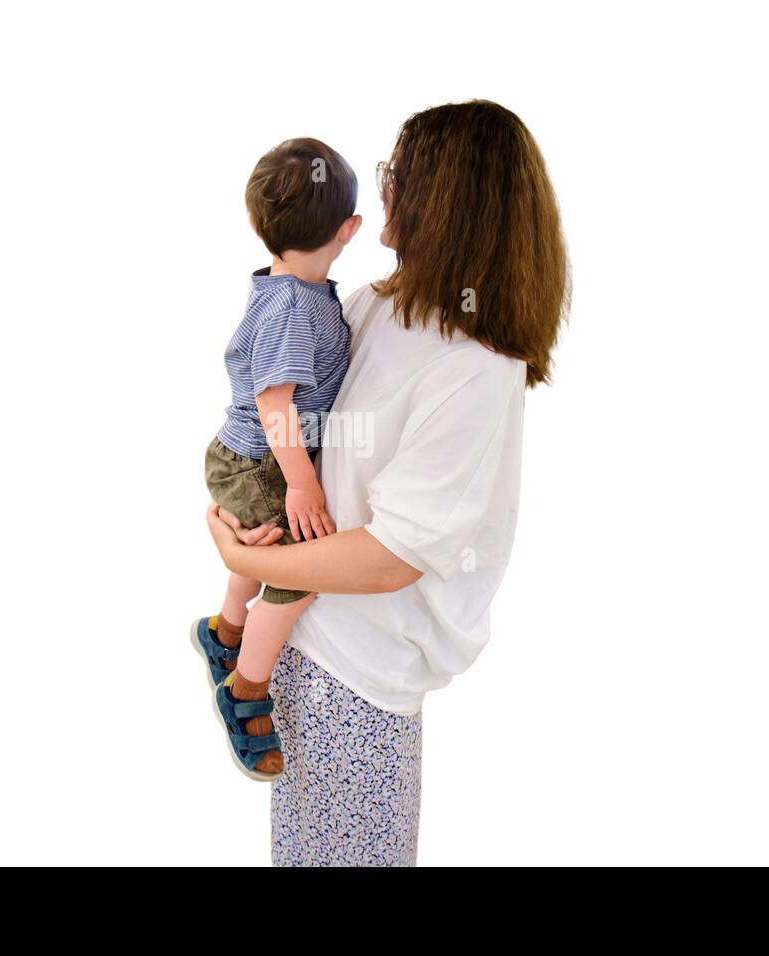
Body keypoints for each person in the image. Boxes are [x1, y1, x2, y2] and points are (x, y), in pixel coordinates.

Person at [204, 100, 570, 865]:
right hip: (304, 646)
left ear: (447, 202)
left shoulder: (476, 368)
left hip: (358, 682)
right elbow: (292, 425)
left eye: (398, 175)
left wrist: (250, 563)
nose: (382, 192)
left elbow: (390, 556)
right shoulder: (375, 304)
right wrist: (242, 512)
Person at [191, 138, 362, 781]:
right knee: (296, 577)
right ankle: (245, 688)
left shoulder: (299, 290)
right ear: (349, 229)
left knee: (261, 546)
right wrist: (303, 485)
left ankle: (226, 630)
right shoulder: (294, 304)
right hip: (263, 459)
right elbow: (273, 402)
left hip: (249, 457)